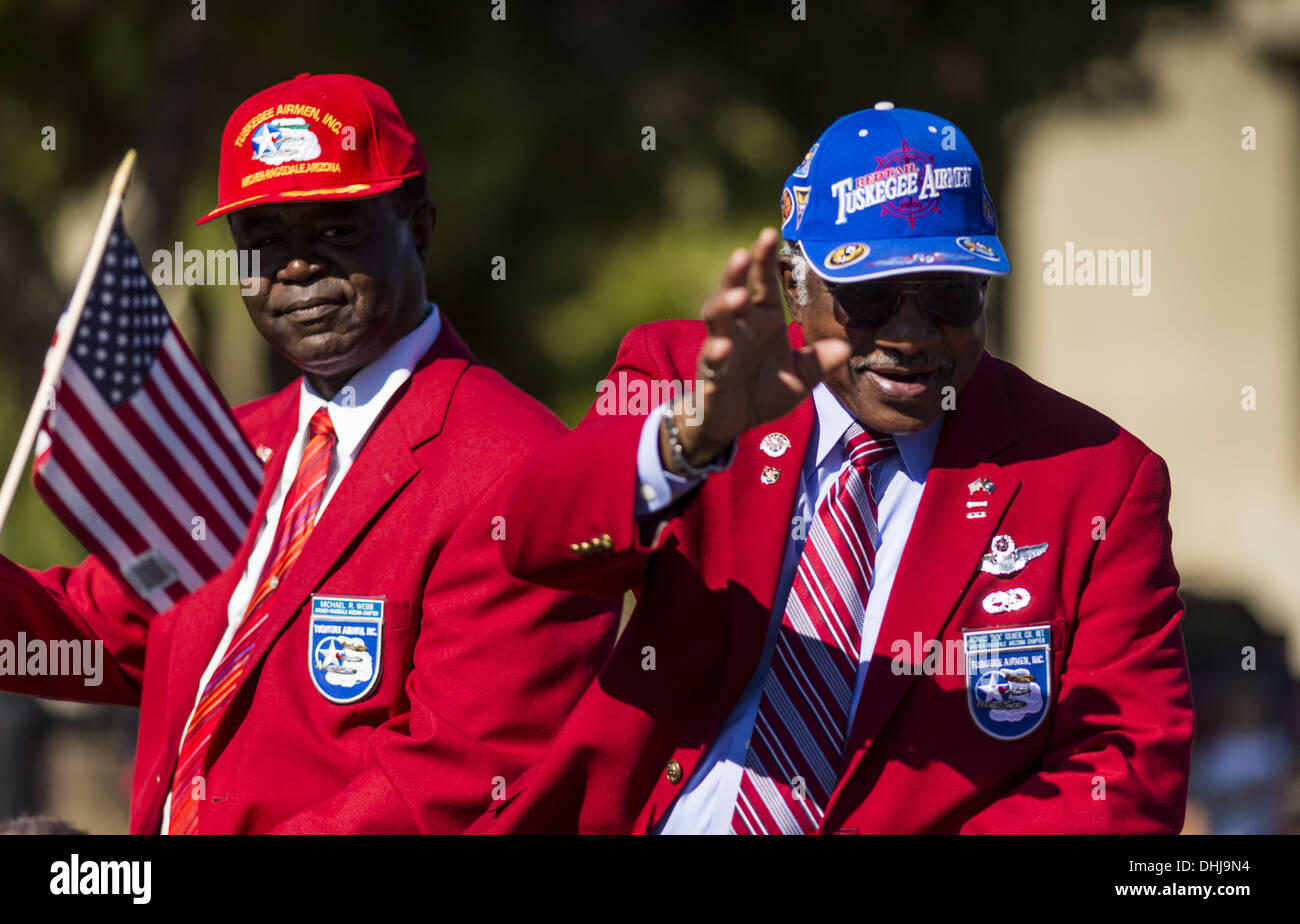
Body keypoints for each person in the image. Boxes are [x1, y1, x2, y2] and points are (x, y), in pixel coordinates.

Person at [470, 103, 1194, 834]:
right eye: (870, 299)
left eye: (948, 295)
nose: (909, 336)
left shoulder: (1095, 475)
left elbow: (1125, 766)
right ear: (796, 286)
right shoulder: (688, 379)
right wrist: (693, 437)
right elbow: (535, 541)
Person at [0, 72, 618, 833]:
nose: (295, 269)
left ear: (419, 226)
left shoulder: (515, 466)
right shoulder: (224, 443)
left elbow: (458, 777)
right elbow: (101, 637)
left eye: (335, 231)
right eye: (263, 242)